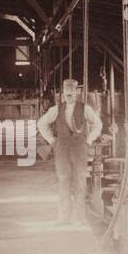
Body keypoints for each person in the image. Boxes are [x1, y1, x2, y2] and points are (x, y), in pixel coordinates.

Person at [36, 78, 103, 225]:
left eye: (72, 90)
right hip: (62, 149)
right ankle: (63, 216)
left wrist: (89, 140)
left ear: (77, 92)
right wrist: (52, 140)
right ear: (63, 92)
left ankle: (78, 217)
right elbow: (41, 123)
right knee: (63, 181)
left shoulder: (85, 109)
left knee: (80, 181)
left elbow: (98, 124)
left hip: (79, 148)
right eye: (66, 90)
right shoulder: (56, 109)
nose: (69, 93)